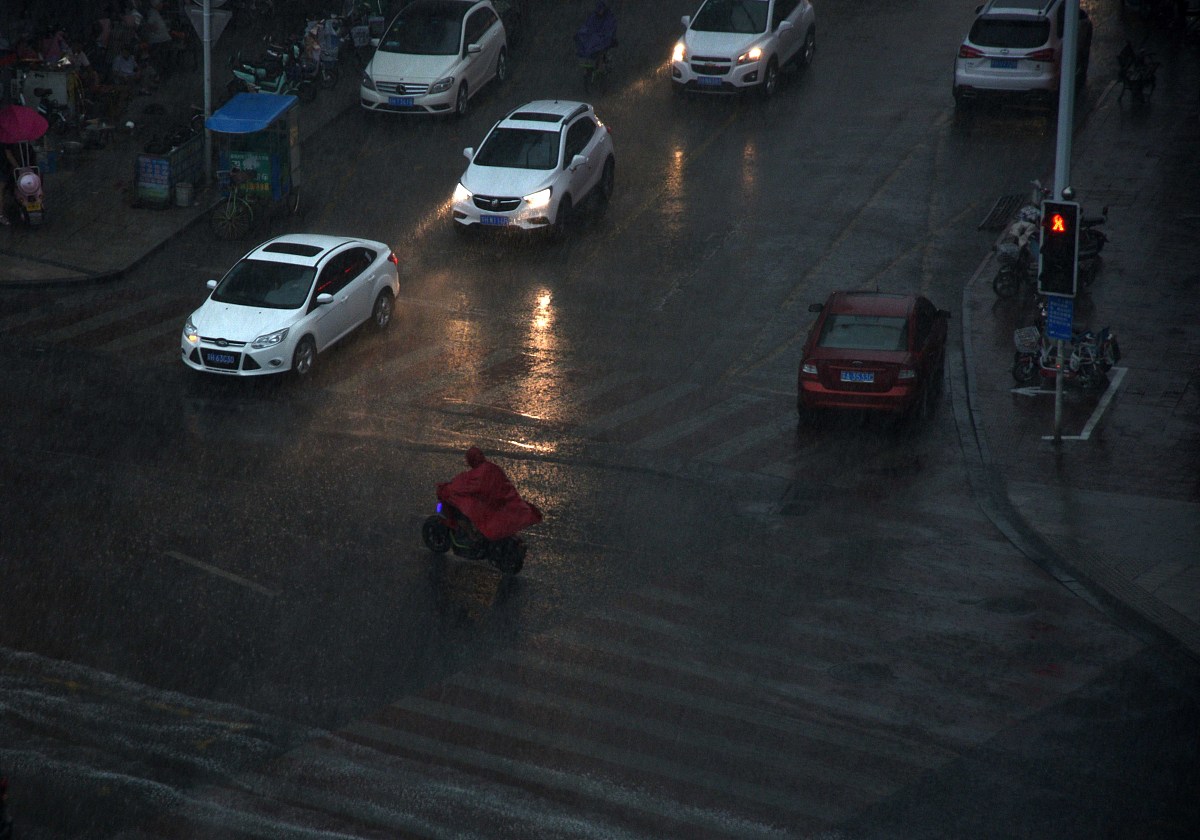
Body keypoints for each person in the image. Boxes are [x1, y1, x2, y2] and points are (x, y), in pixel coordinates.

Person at [436, 447, 543, 543]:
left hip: (488, 504)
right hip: (498, 502)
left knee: (465, 513)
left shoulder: (474, 474)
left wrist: (445, 488)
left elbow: (462, 486)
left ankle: (472, 536)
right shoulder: (493, 468)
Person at [1, 141, 38, 226]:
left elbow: (9, 155)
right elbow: (8, 155)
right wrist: (18, 167)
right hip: (9, 168)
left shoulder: (10, 140)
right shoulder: (9, 140)